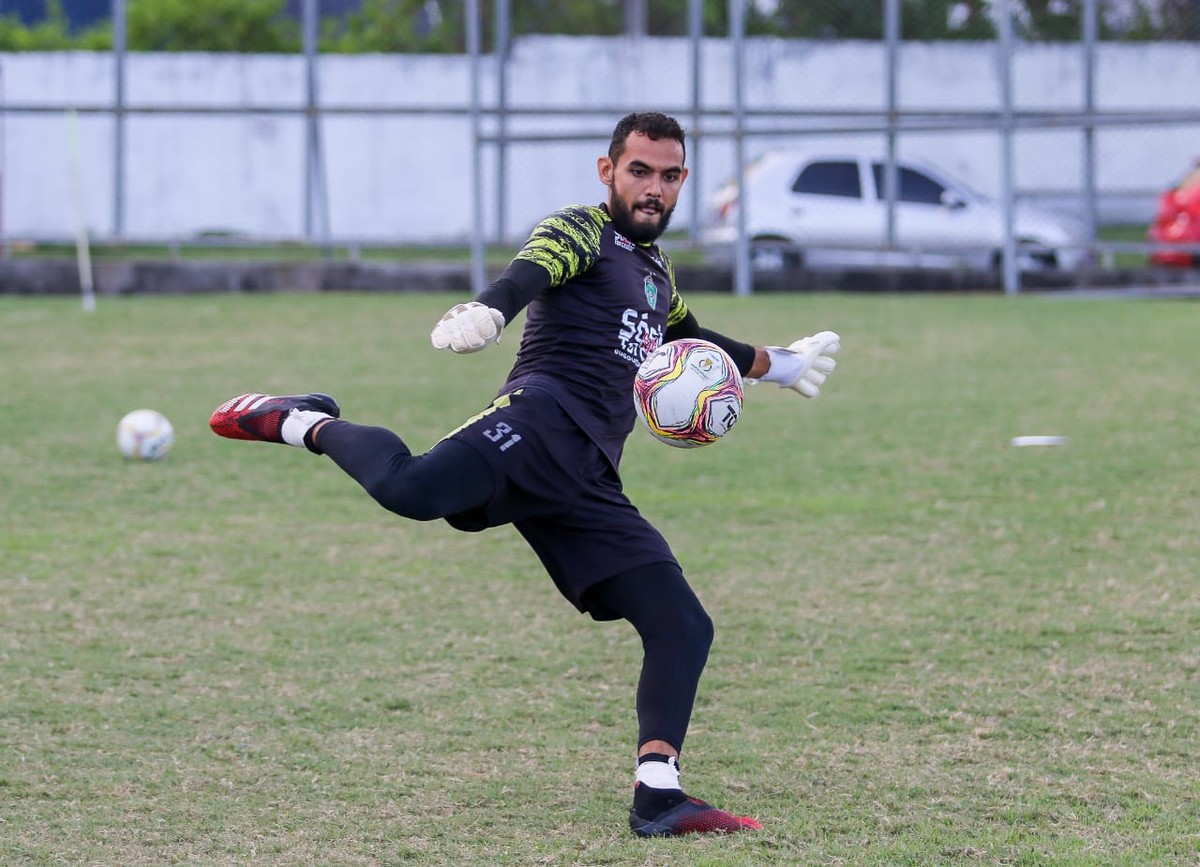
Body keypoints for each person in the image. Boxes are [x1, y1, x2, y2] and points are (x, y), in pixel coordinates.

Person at [209, 111, 840, 837]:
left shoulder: (657, 274)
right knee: (411, 489)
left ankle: (658, 795)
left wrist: (779, 365)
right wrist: (489, 310)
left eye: (669, 176)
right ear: (608, 171)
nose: (653, 188)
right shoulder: (581, 229)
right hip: (539, 423)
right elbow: (529, 272)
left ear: (682, 181)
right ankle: (302, 419)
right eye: (639, 171)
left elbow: (693, 340)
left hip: (589, 474)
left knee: (682, 624)